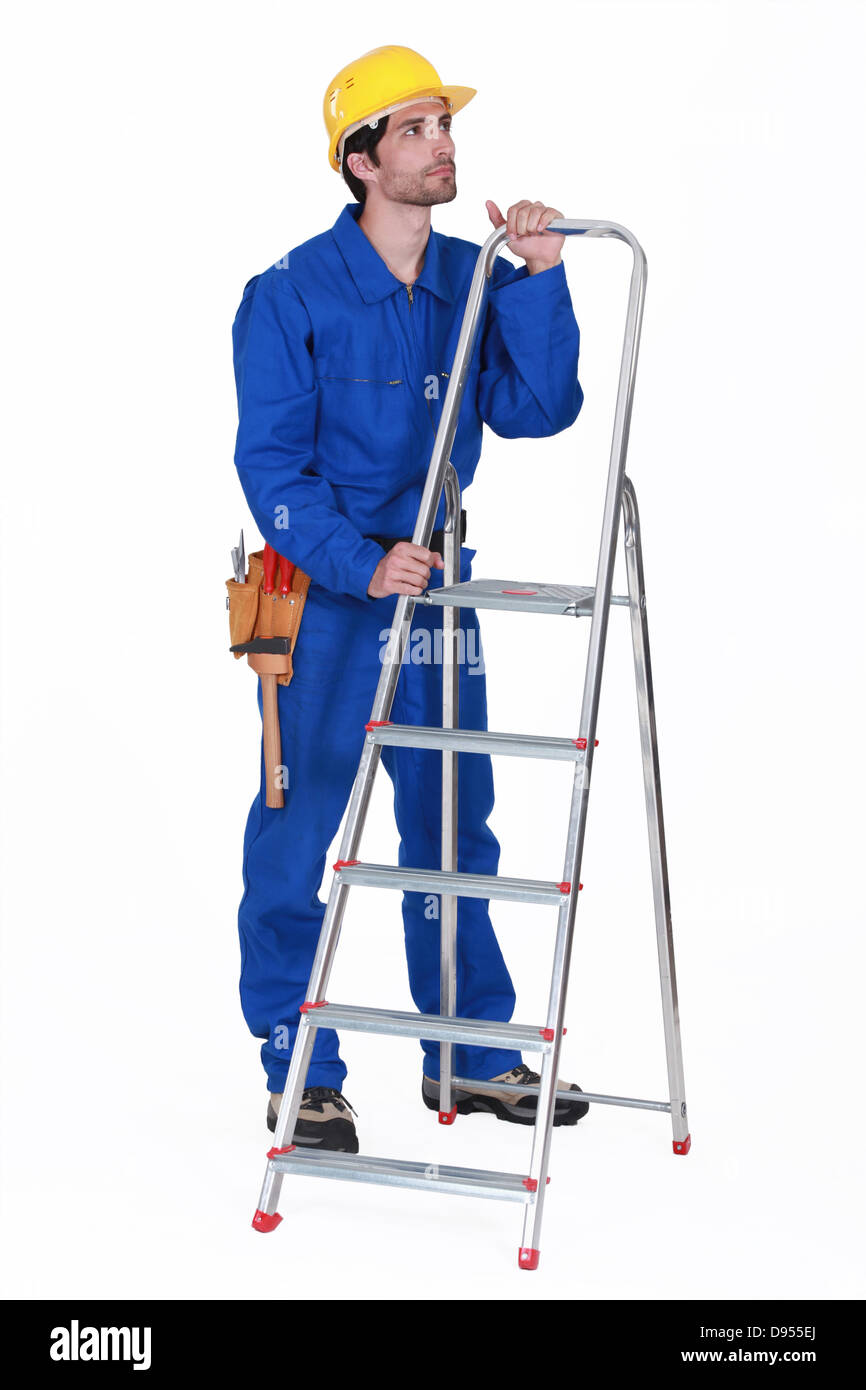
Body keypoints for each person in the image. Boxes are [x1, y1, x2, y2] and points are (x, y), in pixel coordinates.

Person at [231, 45, 588, 1152]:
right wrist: (354, 559)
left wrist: (533, 277)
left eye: (445, 124)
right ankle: (301, 1061)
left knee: (449, 824)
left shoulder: (466, 282)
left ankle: (469, 1052)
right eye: (418, 128)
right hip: (318, 598)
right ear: (359, 160)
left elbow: (540, 408)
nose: (444, 144)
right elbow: (271, 469)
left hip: (433, 592)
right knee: (299, 832)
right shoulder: (287, 294)